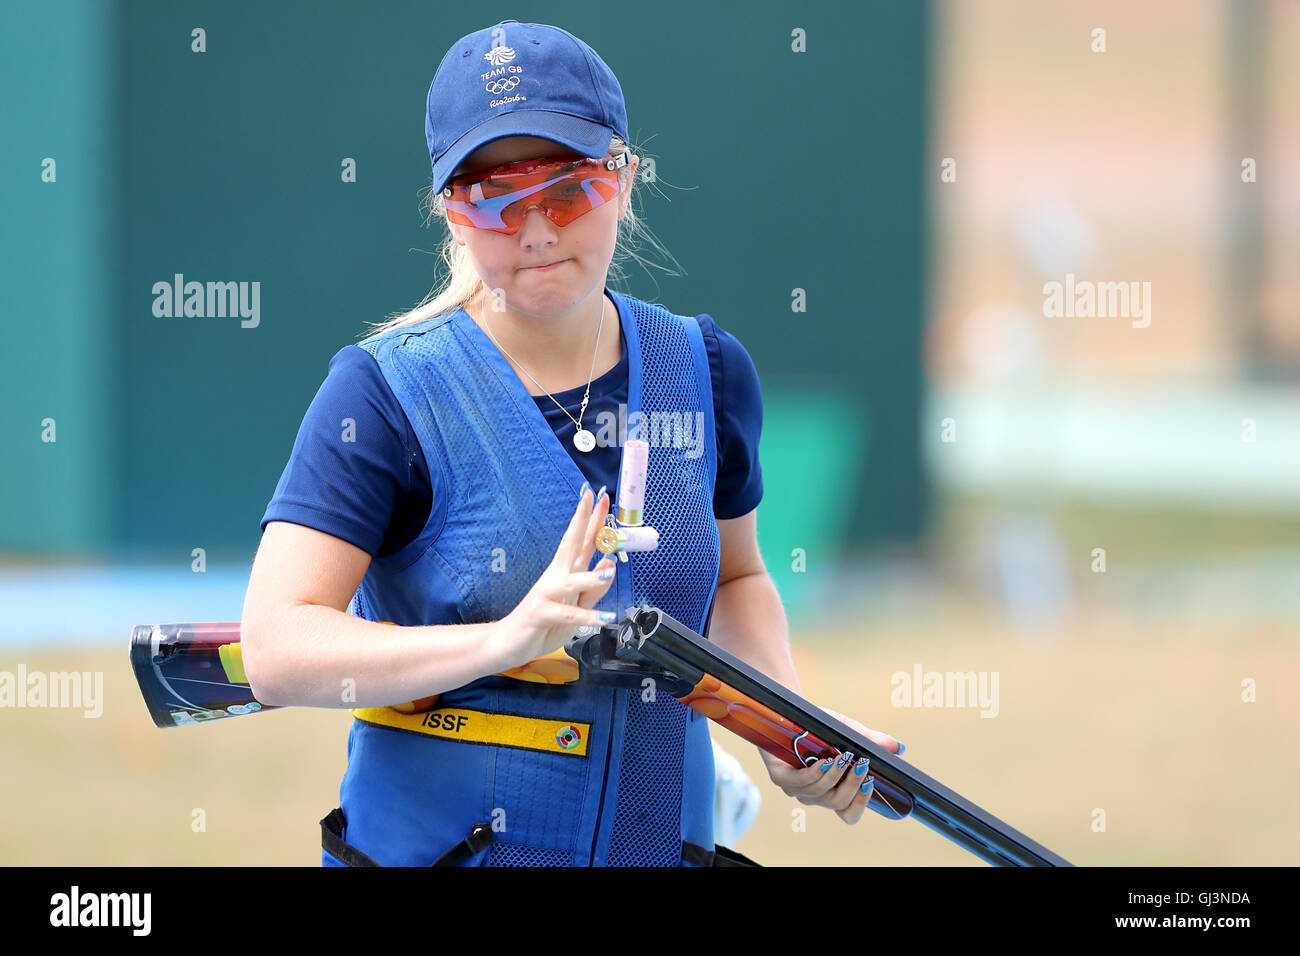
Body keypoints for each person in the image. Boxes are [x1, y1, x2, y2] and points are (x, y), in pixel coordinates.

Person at [241, 18, 902, 867]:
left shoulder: (707, 370)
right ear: (449, 211)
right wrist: (503, 640)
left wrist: (782, 723)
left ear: (623, 179)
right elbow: (275, 647)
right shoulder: (380, 394)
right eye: (491, 198)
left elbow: (736, 576)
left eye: (568, 189)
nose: (538, 229)